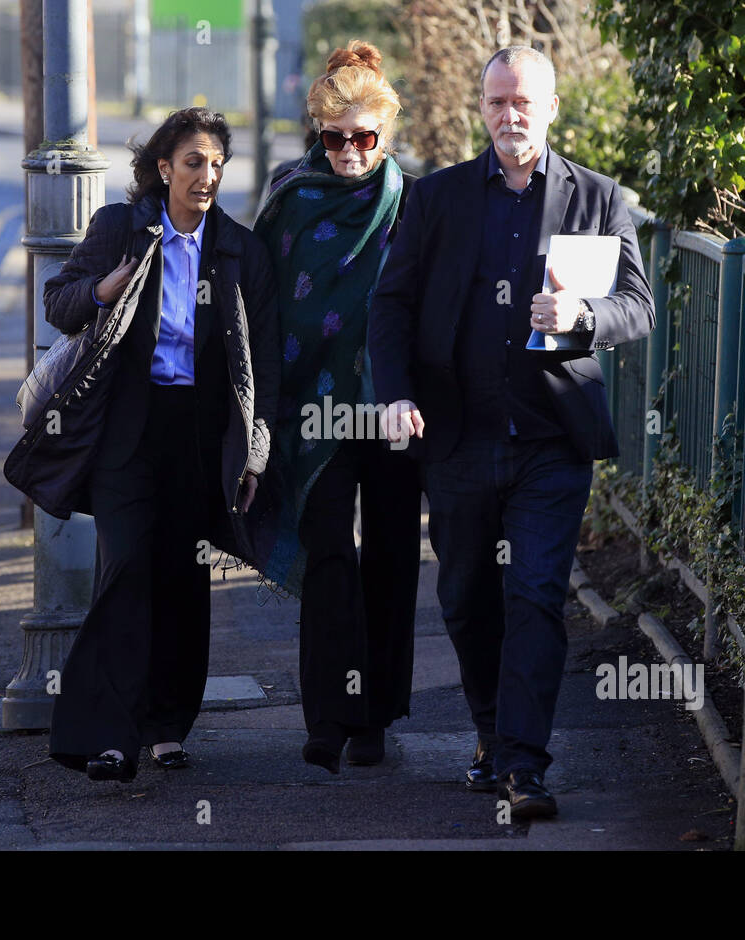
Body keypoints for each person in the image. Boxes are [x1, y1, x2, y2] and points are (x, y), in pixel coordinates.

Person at [368, 46, 655, 818]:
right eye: (496, 103)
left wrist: (584, 318)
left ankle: (525, 766)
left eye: (523, 102)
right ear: (482, 110)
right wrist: (393, 395)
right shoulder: (438, 199)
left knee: (533, 594)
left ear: (552, 107)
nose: (509, 116)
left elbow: (638, 304)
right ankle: (493, 738)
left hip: (551, 441)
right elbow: (390, 304)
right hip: (457, 437)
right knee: (466, 598)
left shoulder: (597, 199)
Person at [9, 107, 280, 782]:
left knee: (183, 581)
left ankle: (168, 726)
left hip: (201, 435)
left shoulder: (239, 249)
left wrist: (255, 452)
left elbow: (266, 367)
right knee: (126, 568)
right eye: (194, 163)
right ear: (164, 169)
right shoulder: (120, 229)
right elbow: (59, 301)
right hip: (128, 431)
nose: (207, 176)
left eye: (218, 164)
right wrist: (105, 288)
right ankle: (109, 734)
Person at [252, 41, 421, 773]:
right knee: (328, 555)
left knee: (389, 554)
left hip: (390, 409)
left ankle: (374, 717)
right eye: (334, 137)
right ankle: (326, 718)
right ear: (317, 131)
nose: (349, 151)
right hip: (309, 407)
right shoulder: (289, 198)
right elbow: (257, 304)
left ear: (385, 134)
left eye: (363, 137)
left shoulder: (413, 202)